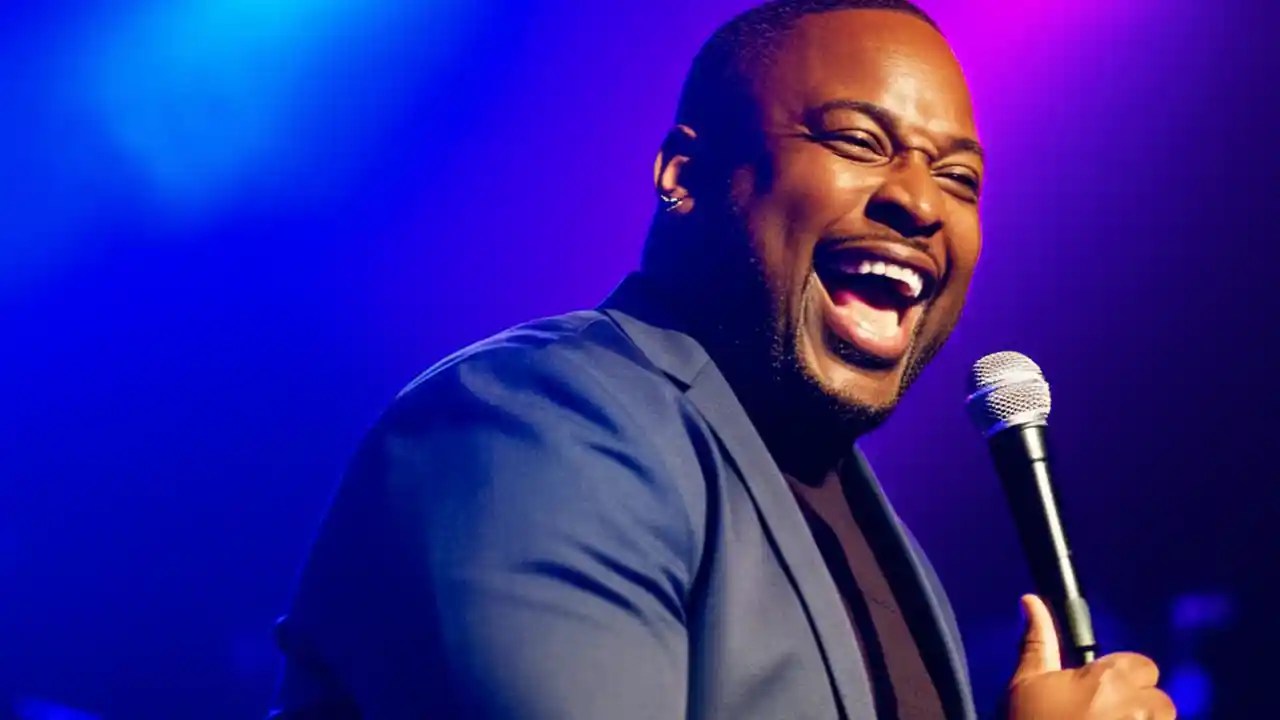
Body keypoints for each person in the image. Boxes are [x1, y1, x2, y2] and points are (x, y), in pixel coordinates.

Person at [270, 1, 1176, 718]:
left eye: (959, 178)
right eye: (859, 141)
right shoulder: (534, 421)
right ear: (686, 178)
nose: (919, 201)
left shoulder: (873, 534)